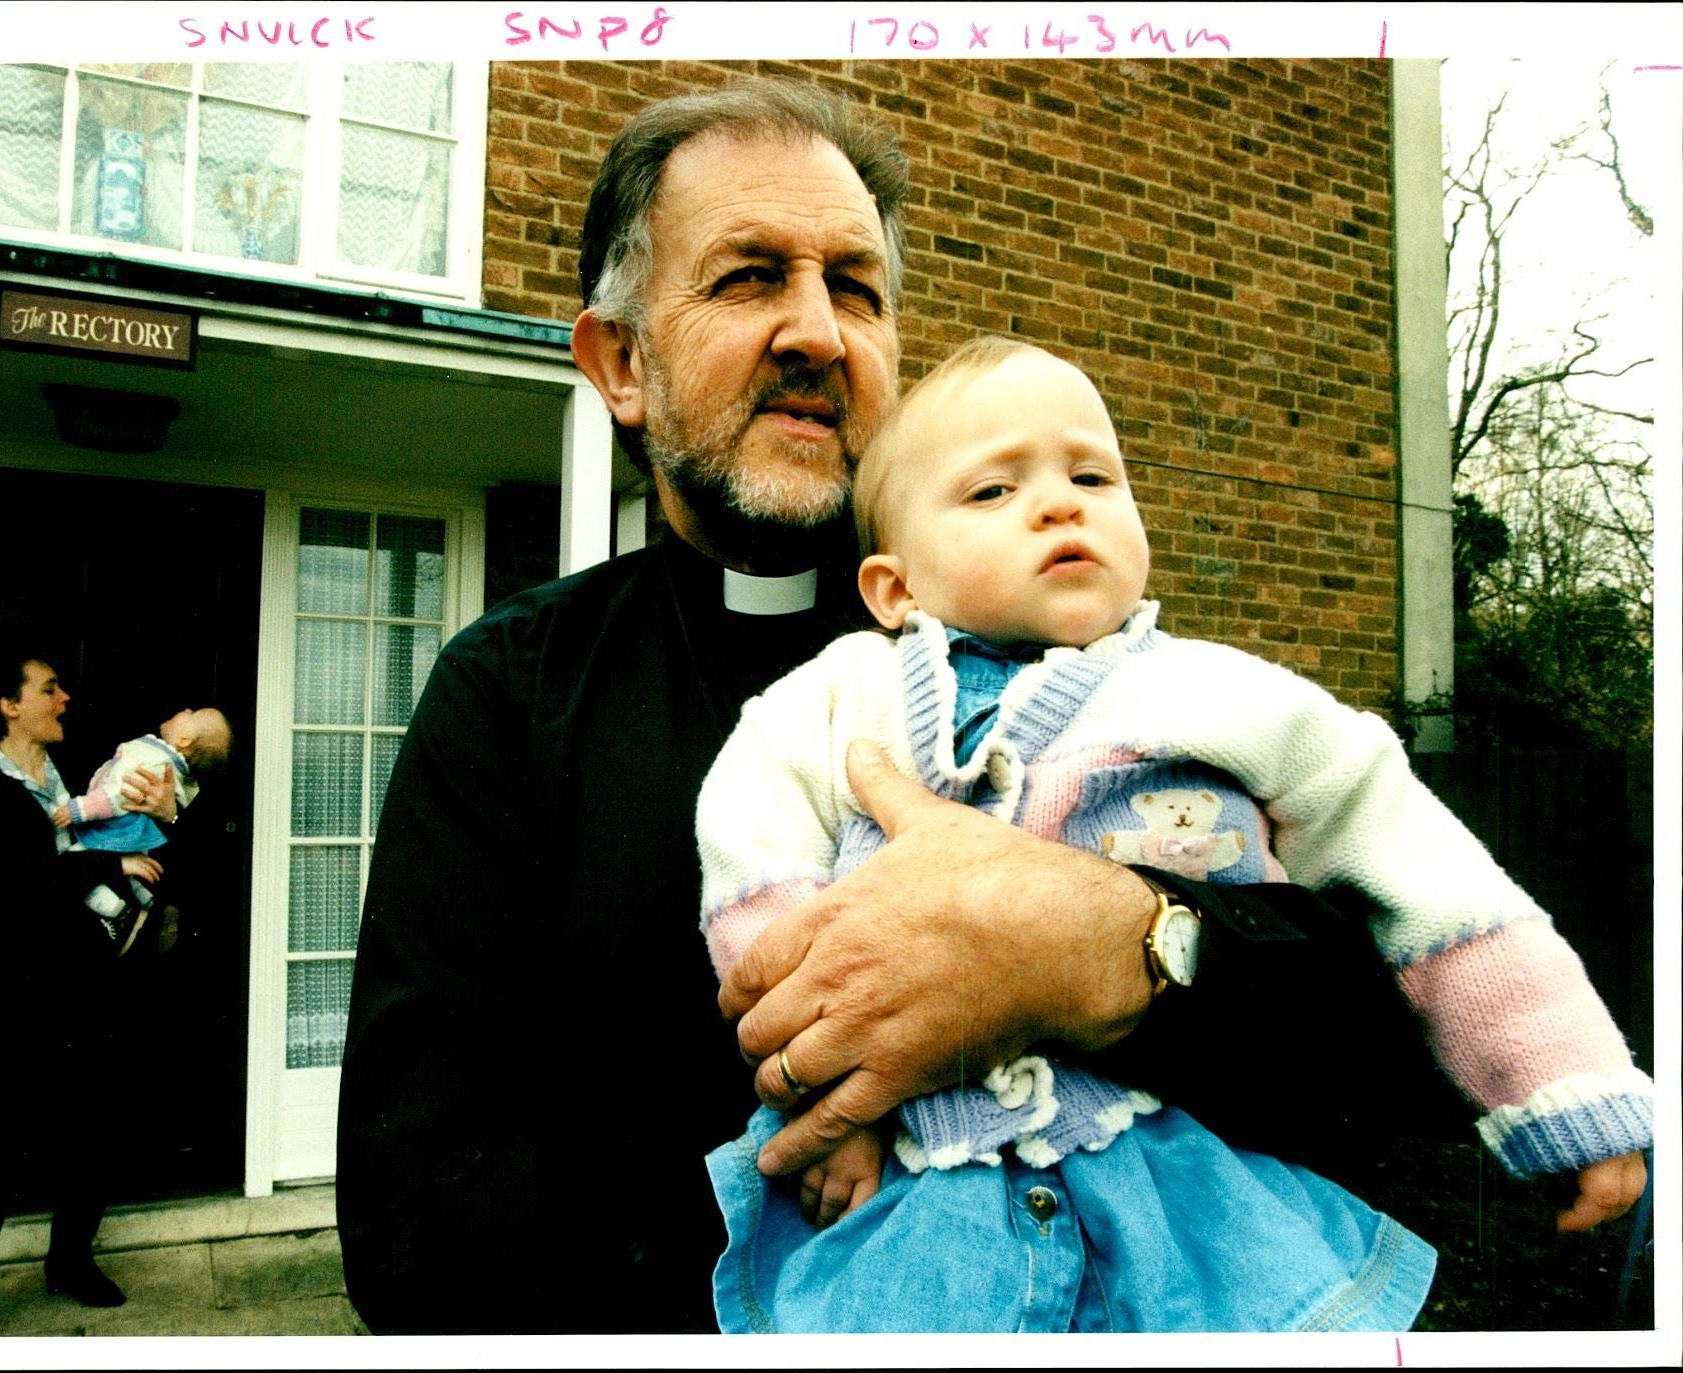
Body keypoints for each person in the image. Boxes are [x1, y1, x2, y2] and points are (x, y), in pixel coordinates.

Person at [336, 79, 1470, 1335]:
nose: (818, 332)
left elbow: (1391, 1056)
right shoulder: (508, 693)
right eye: (748, 277)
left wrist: (1122, 943)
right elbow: (418, 1220)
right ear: (620, 363)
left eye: (856, 289)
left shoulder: (1083, 652)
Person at [693, 336, 1653, 1332]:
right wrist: (826, 1107)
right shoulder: (838, 700)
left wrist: (1565, 1082)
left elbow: (1431, 881)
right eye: (991, 490)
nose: (1059, 505)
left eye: (1091, 476)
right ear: (892, 588)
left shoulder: (1225, 695)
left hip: (1196, 1215)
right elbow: (753, 866)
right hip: (923, 1220)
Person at [0, 652, 180, 1337]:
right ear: (10, 706)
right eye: (49, 689)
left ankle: (70, 1262)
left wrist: (165, 811)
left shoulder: (81, 773)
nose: (64, 697)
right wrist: (109, 863)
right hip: (11, 999)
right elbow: (14, 888)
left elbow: (144, 830)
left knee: (91, 1131)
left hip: (84, 987)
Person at [52, 706, 233, 954]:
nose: (186, 709)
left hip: (112, 830)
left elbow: (118, 793)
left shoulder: (152, 760)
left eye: (192, 714)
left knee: (77, 861)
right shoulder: (172, 769)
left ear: (185, 740)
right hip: (131, 847)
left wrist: (79, 809)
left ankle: (122, 913)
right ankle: (145, 906)